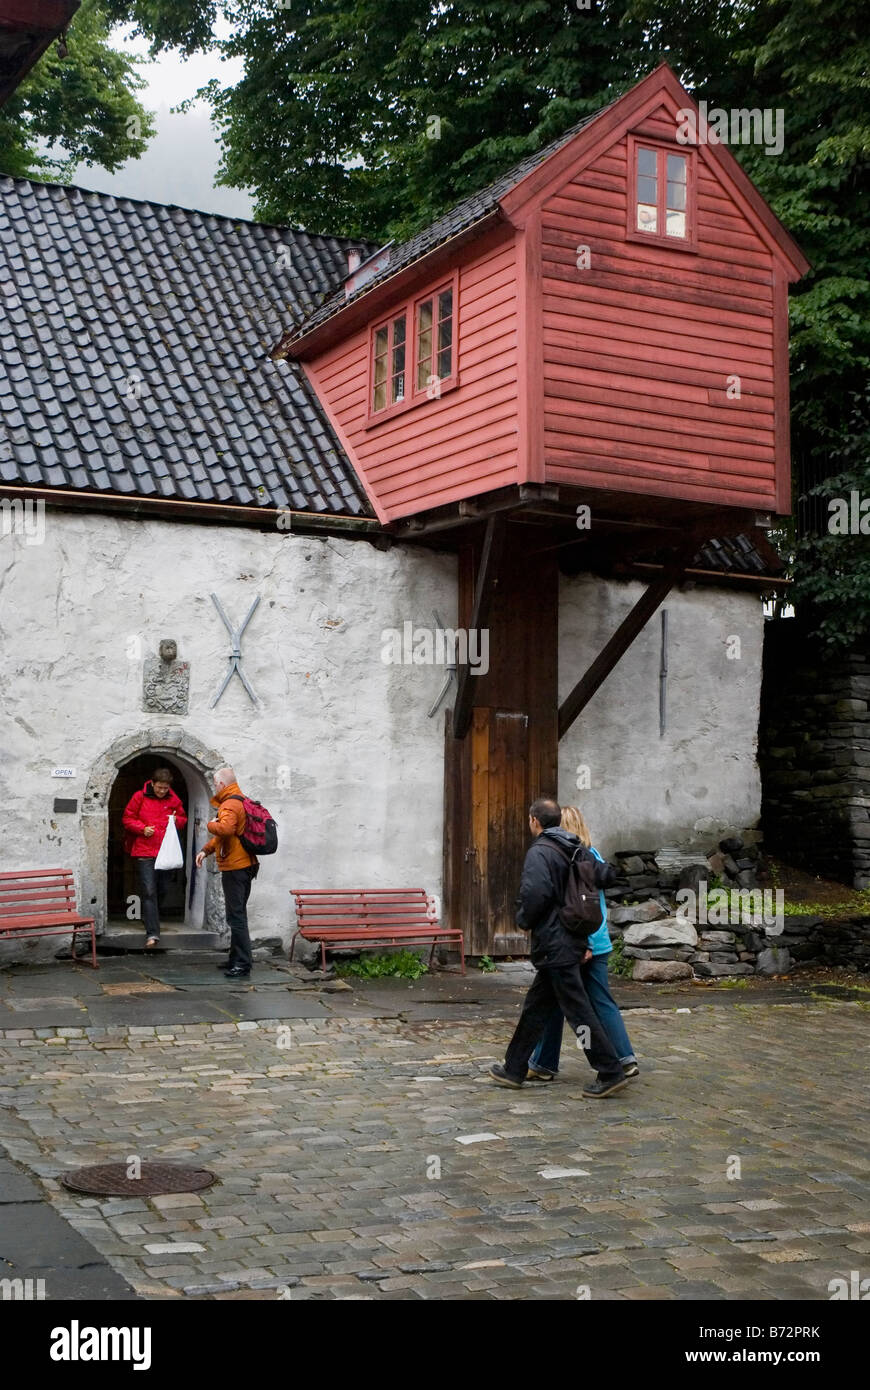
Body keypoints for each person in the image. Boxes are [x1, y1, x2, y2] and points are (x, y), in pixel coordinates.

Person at [490, 797, 628, 1097]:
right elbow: (604, 875)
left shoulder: (541, 851)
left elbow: (535, 894)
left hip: (555, 943)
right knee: (536, 1008)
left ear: (534, 821)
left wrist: (523, 919)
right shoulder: (575, 847)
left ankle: (610, 1070)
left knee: (579, 1013)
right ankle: (514, 1068)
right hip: (570, 940)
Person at [527, 805, 638, 1083]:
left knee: (568, 1006)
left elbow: (580, 909)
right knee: (599, 1002)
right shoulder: (592, 855)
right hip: (595, 941)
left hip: (580, 944)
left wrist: (584, 944)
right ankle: (623, 1058)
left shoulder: (572, 860)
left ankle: (550, 1063)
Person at [195, 766, 256, 978]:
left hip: (236, 866)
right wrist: (206, 850)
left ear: (222, 784)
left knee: (236, 916)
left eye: (214, 783)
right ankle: (235, 958)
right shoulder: (241, 800)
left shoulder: (229, 804)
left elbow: (226, 830)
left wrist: (211, 824)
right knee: (237, 914)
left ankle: (242, 963)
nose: (214, 786)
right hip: (245, 864)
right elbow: (228, 836)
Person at [121, 766, 187, 949]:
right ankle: (153, 934)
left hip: (165, 851)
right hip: (145, 850)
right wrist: (142, 829)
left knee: (162, 889)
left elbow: (183, 819)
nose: (162, 791)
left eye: (165, 788)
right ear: (152, 783)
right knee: (149, 891)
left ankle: (147, 914)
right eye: (159, 788)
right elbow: (127, 819)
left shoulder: (173, 799)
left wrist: (175, 821)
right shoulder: (139, 797)